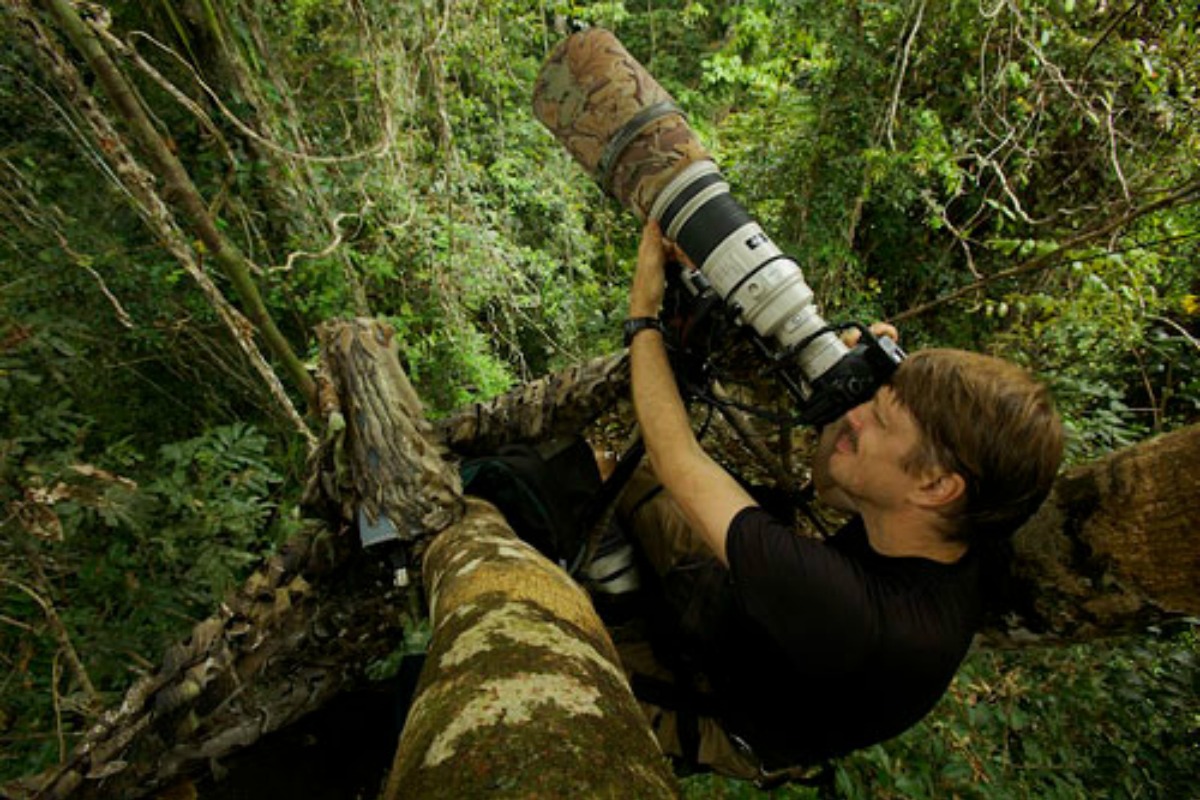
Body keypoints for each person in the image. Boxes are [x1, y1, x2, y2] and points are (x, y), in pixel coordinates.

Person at [614, 219, 1065, 782]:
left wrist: (644, 315)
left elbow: (676, 457)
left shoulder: (858, 615)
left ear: (935, 485)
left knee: (562, 645)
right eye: (873, 400)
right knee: (601, 472)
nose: (858, 414)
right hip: (751, 617)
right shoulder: (963, 520)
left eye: (878, 418)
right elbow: (830, 484)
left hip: (723, 708)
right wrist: (850, 392)